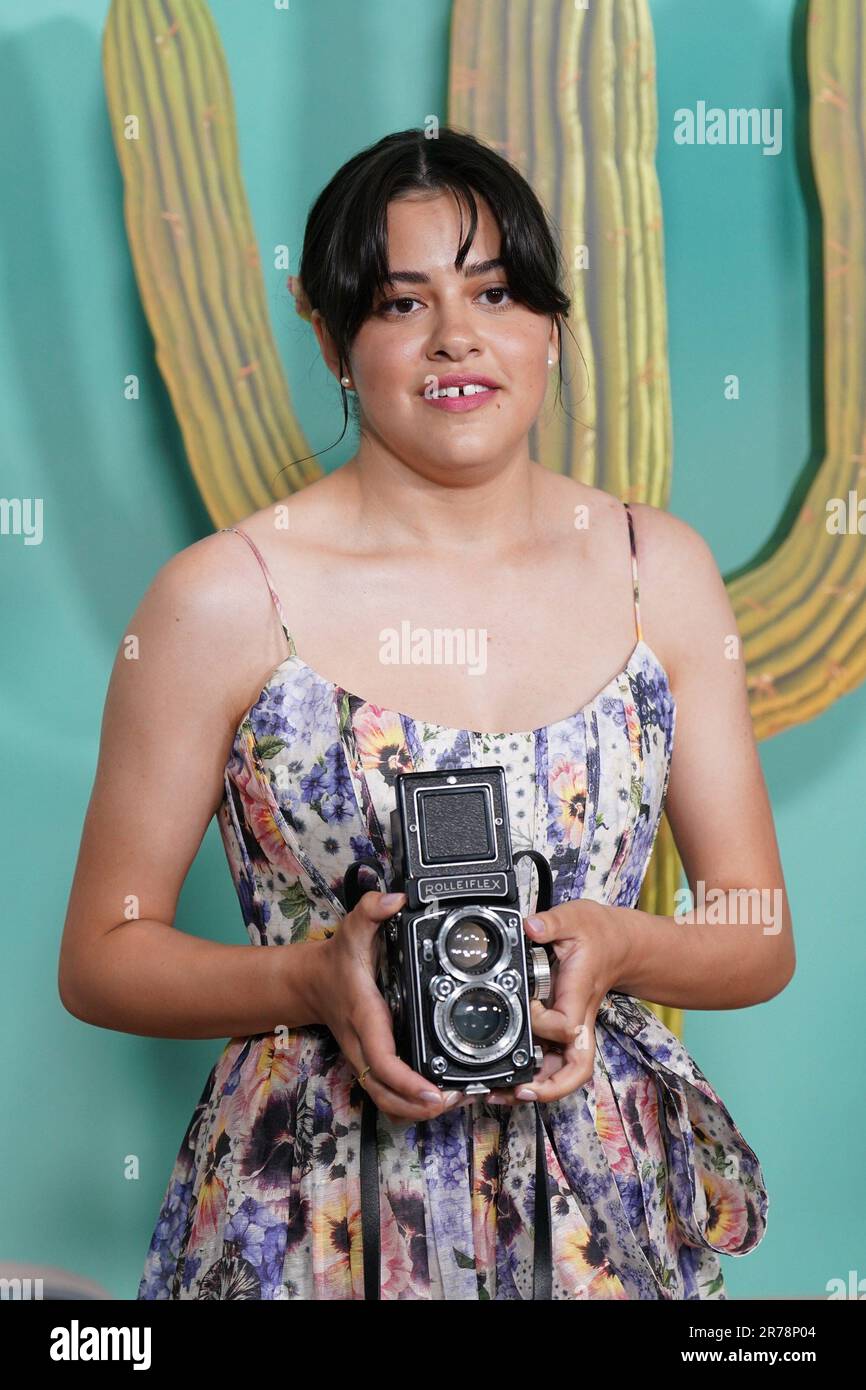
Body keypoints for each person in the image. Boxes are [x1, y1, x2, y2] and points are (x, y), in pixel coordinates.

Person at [59, 127, 794, 1300]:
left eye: (495, 291)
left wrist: (615, 949)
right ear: (332, 337)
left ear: (549, 321)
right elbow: (100, 956)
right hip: (315, 1204)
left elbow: (756, 931)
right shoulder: (223, 597)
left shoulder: (661, 568)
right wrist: (308, 980)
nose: (457, 335)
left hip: (595, 1212)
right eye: (401, 303)